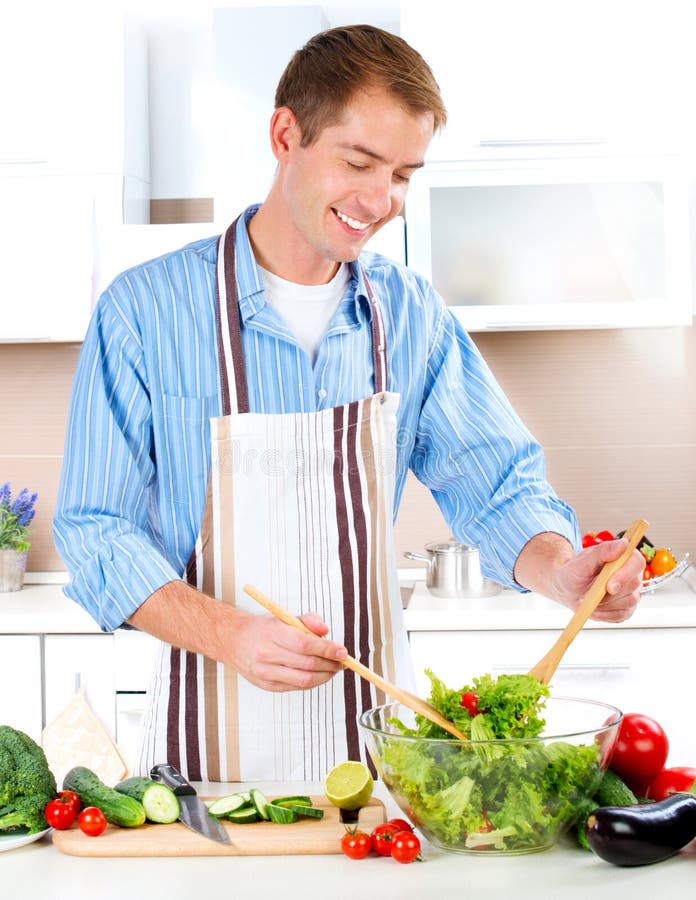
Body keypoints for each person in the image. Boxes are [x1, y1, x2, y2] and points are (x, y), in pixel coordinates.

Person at [54, 24, 644, 782]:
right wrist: (232, 634)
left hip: (376, 750)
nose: (381, 199)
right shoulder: (144, 310)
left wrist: (562, 573)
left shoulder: (412, 315)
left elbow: (495, 487)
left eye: (403, 173)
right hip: (210, 745)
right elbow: (94, 528)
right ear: (284, 134)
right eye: (359, 162)